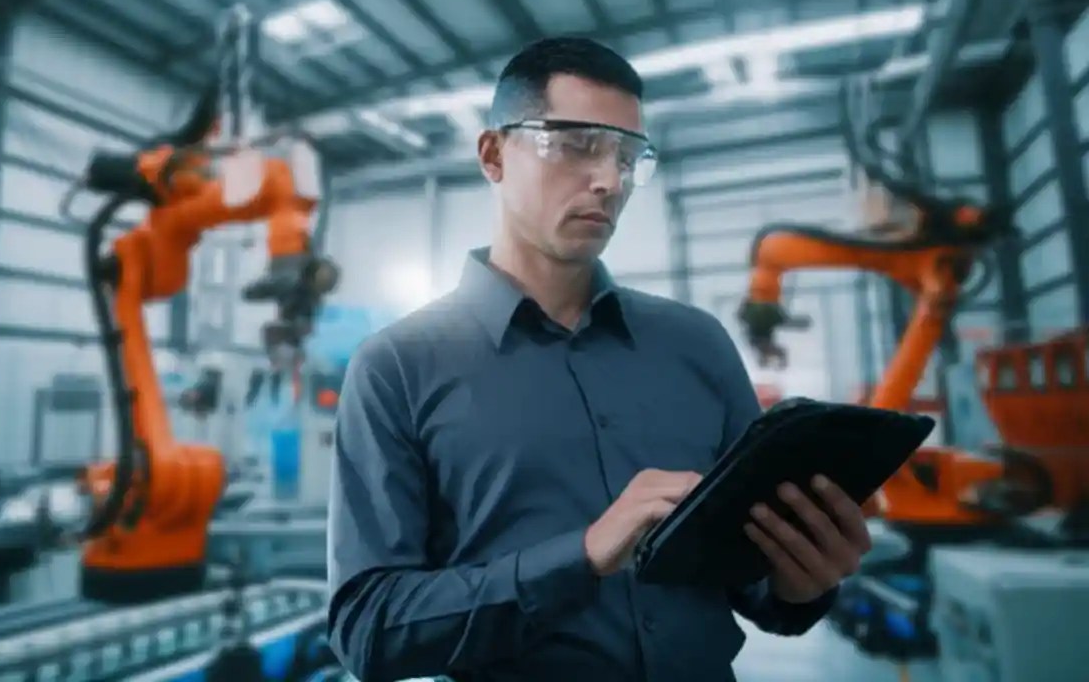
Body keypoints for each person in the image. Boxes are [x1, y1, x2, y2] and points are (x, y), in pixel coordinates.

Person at [325, 37, 872, 682]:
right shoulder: (397, 368)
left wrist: (802, 577)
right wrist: (581, 555)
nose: (610, 180)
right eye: (577, 143)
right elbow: (368, 630)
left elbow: (751, 586)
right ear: (493, 154)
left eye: (627, 154)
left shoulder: (697, 345)